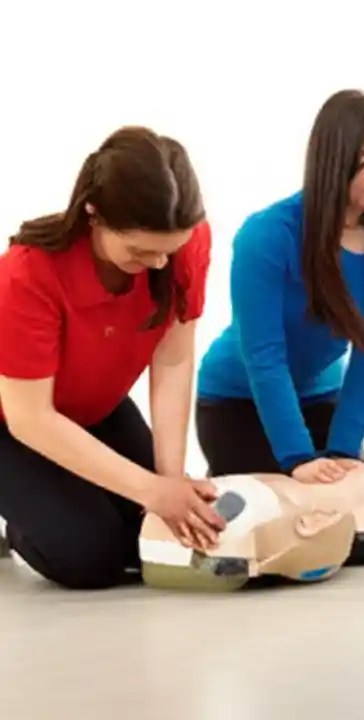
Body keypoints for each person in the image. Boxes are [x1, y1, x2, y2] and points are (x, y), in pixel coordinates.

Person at [0, 126, 226, 590]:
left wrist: (169, 482)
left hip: (93, 408)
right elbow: (30, 418)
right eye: (140, 251)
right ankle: (21, 515)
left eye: (170, 250)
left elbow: (173, 362)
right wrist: (152, 491)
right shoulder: (27, 275)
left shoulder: (182, 244)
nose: (160, 265)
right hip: (14, 420)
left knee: (148, 540)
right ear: (93, 214)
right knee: (90, 558)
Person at [195, 90, 364, 483]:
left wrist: (346, 448)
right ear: (331, 160)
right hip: (235, 401)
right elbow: (265, 355)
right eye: (363, 161)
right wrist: (297, 457)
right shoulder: (265, 235)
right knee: (284, 517)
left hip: (319, 398)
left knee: (345, 509)